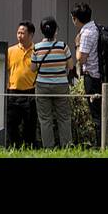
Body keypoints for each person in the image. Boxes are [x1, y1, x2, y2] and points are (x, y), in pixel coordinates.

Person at [31, 16, 74, 149]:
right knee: (64, 117)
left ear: (42, 31)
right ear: (56, 31)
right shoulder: (63, 46)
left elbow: (33, 68)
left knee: (45, 119)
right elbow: (71, 66)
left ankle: (48, 148)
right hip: (61, 85)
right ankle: (66, 146)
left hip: (42, 85)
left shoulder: (37, 48)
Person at [71, 2, 102, 144]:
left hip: (92, 77)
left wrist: (77, 44)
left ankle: (99, 143)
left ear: (75, 18)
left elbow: (81, 59)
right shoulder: (94, 28)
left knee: (95, 113)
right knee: (98, 111)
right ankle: (100, 141)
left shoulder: (86, 33)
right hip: (98, 76)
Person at [6, 21, 37, 147]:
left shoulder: (37, 51)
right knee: (11, 122)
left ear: (31, 35)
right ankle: (15, 146)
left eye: (23, 33)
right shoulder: (10, 51)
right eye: (18, 33)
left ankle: (28, 146)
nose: (19, 36)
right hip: (13, 92)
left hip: (31, 91)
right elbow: (6, 70)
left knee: (30, 123)